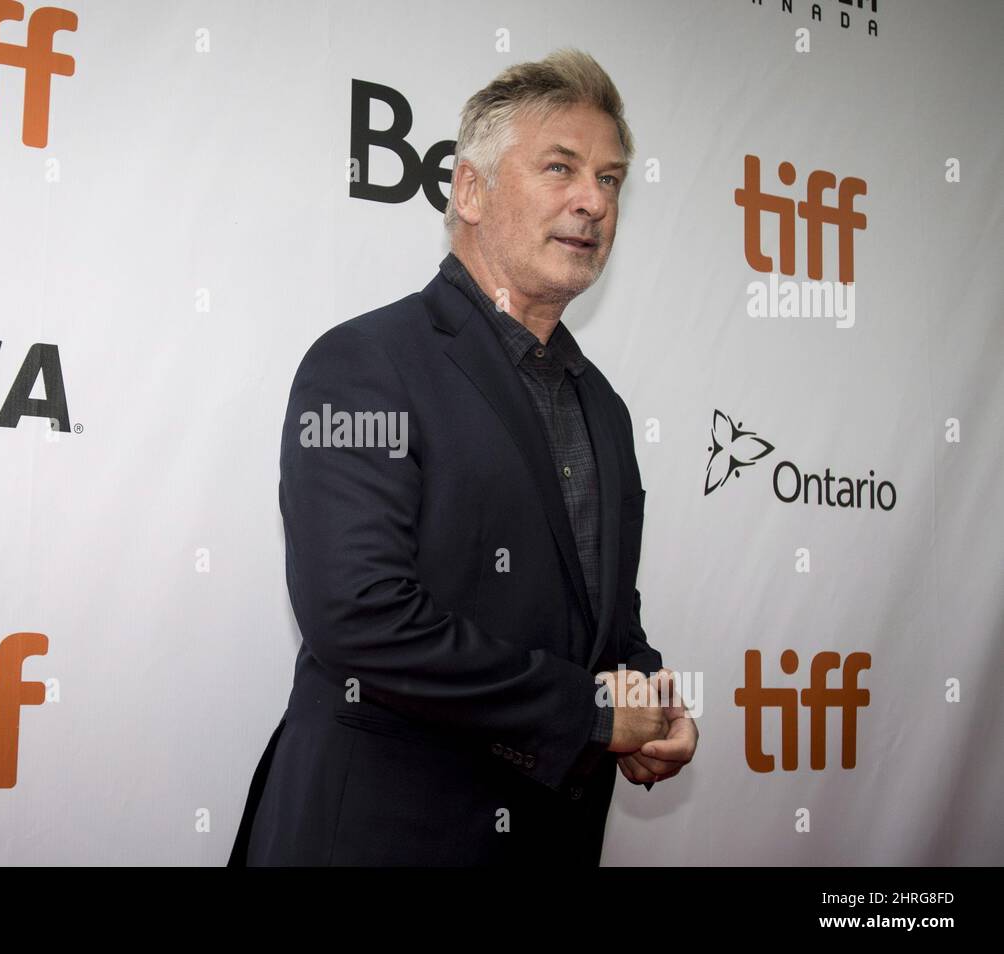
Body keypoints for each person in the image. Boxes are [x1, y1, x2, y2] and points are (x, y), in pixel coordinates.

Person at [230, 48, 697, 867]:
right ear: (471, 191)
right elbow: (360, 616)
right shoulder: (363, 364)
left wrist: (647, 700)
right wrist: (586, 716)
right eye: (561, 167)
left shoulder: (606, 410)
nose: (593, 200)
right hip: (376, 837)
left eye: (612, 179)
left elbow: (608, 624)